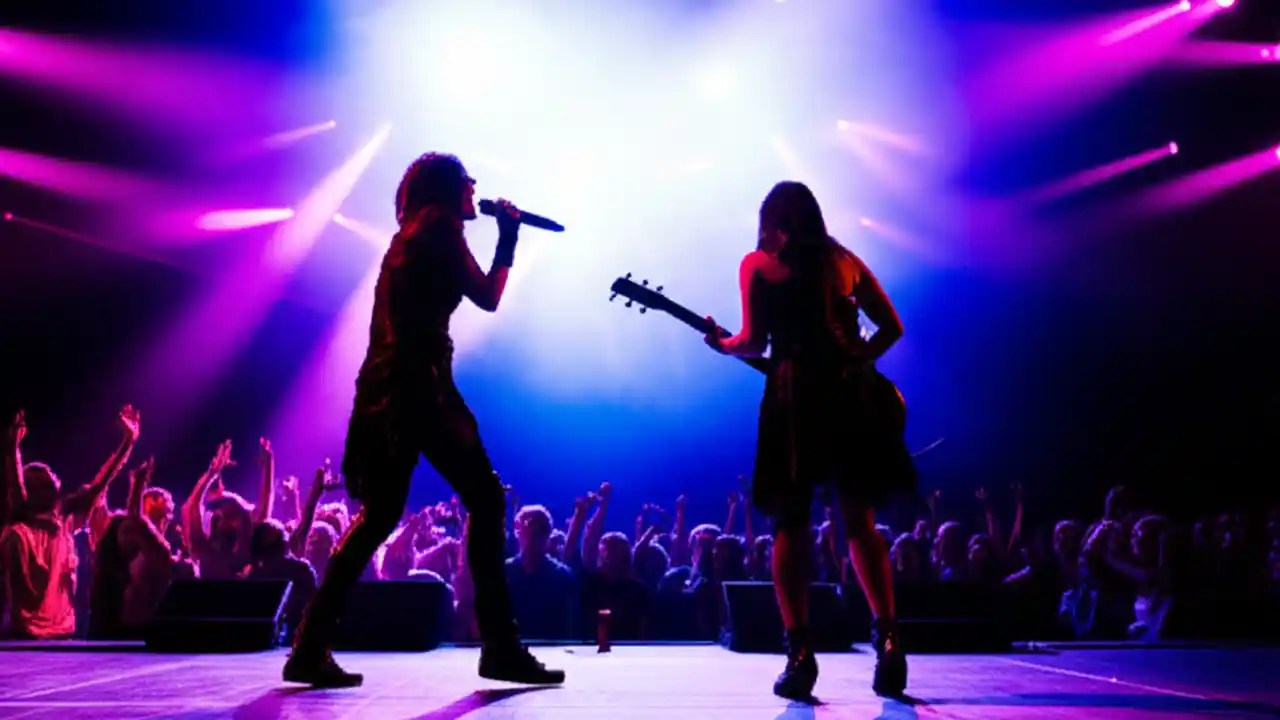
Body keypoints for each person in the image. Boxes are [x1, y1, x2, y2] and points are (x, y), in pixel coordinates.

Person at [283, 153, 563, 687]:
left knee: (380, 516)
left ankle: (309, 645)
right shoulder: (440, 226)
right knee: (485, 498)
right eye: (467, 182)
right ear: (447, 189)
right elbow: (488, 297)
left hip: (387, 388)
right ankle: (500, 647)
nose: (476, 187)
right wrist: (508, 235)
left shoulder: (411, 234)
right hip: (420, 385)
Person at [704, 181, 915, 699]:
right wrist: (857, 360)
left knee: (791, 524)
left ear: (772, 221)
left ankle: (800, 655)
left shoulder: (757, 264)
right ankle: (888, 642)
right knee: (860, 522)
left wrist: (721, 343)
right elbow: (891, 326)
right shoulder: (846, 260)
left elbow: (752, 342)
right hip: (853, 397)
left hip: (795, 400)